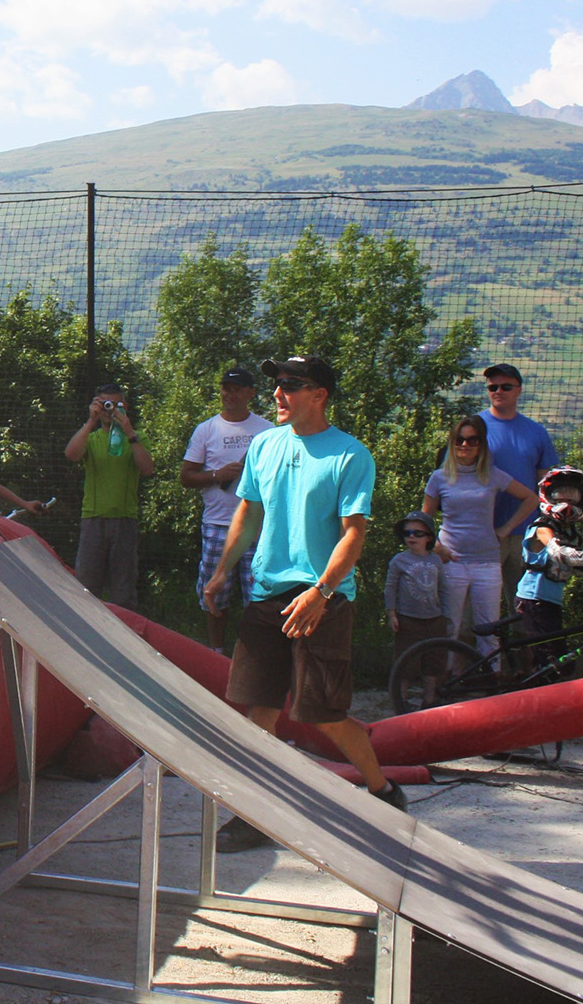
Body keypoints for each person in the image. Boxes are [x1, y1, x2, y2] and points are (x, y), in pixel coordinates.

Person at [203, 355, 402, 852]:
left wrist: (322, 592)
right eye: (277, 383)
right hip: (266, 593)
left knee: (321, 713)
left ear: (319, 395)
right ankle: (256, 815)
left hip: (323, 598)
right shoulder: (265, 445)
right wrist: (223, 571)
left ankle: (384, 792)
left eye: (291, 384)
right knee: (259, 711)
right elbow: (248, 511)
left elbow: (353, 534)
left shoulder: (351, 455)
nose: (278, 393)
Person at [421, 413, 537, 664]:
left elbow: (531, 498)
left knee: (489, 628)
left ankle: (491, 676)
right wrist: (437, 547)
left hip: (487, 562)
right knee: (450, 626)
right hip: (452, 561)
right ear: (452, 443)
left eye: (472, 440)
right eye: (459, 440)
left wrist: (505, 529)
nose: (465, 445)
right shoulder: (439, 477)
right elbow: (424, 519)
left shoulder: (493, 475)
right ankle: (446, 677)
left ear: (481, 444)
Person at [180, 368, 269, 648]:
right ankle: (217, 652)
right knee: (214, 596)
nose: (230, 394)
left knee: (259, 597)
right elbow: (186, 477)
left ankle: (254, 657)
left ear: (251, 393)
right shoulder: (206, 429)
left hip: (258, 528)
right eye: (226, 388)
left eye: (237, 389)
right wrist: (218, 475)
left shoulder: (268, 431)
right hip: (217, 526)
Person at [64, 383, 155, 609]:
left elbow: (147, 469)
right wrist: (91, 421)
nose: (109, 409)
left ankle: (123, 629)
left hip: (125, 519)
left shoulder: (137, 438)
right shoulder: (92, 438)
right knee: (86, 585)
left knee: (123, 589)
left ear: (125, 407)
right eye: (105, 404)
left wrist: (129, 431)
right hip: (93, 518)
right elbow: (72, 454)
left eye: (115, 405)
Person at [479, 363, 559, 604]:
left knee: (525, 606)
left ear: (519, 390)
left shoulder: (537, 432)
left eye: (505, 387)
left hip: (526, 534)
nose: (498, 391)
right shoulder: (473, 430)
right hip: (483, 533)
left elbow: (546, 486)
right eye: (492, 387)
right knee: (476, 607)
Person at [515, 466, 583, 648]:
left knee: (557, 655)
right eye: (559, 495)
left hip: (551, 602)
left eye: (572, 496)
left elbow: (572, 566)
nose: (566, 502)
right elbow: (560, 554)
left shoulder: (571, 534)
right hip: (533, 600)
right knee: (548, 656)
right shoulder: (542, 528)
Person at [384, 511, 448, 709]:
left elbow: (443, 588)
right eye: (407, 533)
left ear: (429, 537)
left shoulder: (436, 560)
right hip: (408, 619)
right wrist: (392, 614)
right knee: (405, 663)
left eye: (418, 533)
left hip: (434, 618)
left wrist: (446, 615)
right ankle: (400, 701)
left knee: (433, 662)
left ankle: (429, 701)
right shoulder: (399, 560)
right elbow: (390, 588)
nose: (411, 537)